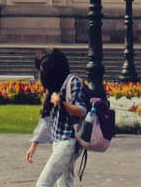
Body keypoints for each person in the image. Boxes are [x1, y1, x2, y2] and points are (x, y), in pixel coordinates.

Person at [36, 49, 89, 187]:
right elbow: (47, 119)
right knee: (64, 183)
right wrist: (34, 144)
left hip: (68, 142)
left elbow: (82, 111)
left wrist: (61, 103)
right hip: (59, 141)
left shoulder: (73, 82)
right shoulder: (56, 85)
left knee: (43, 183)